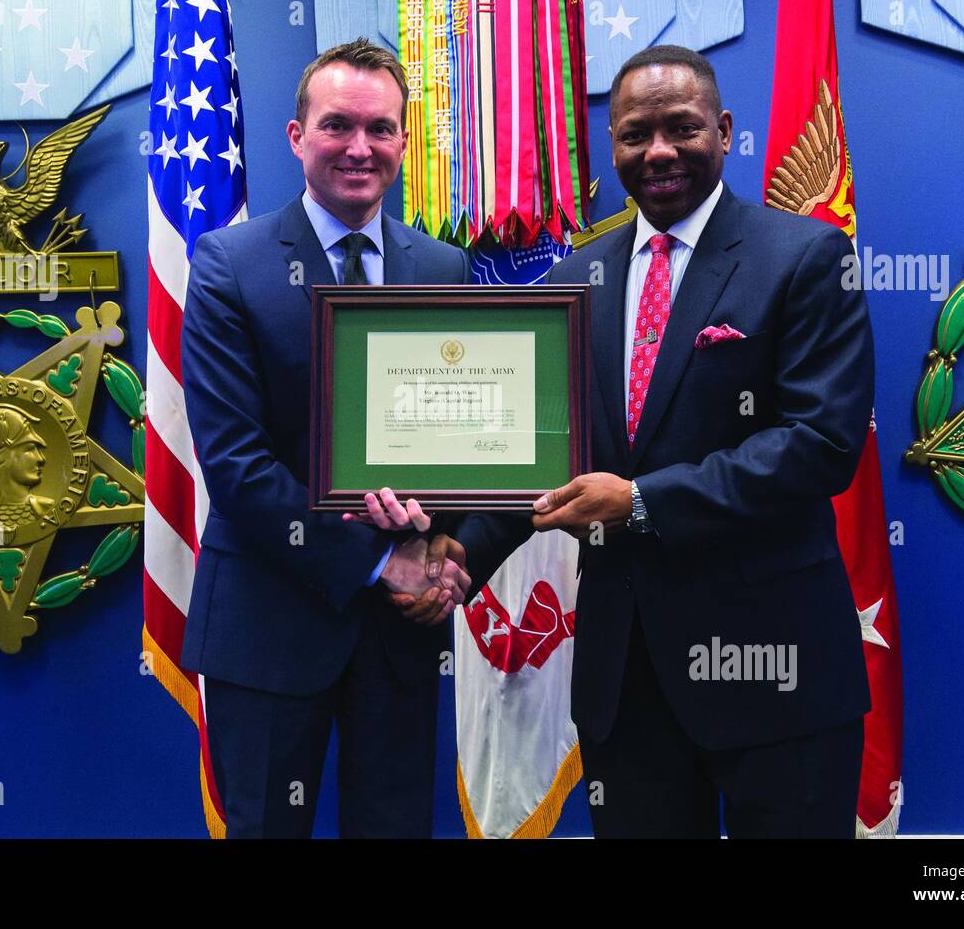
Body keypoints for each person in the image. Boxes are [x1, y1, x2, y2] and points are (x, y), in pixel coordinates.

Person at [375, 45, 875, 837]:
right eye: (636, 134)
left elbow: (820, 444)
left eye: (683, 128)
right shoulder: (580, 276)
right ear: (611, 146)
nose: (661, 151)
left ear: (726, 130)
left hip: (776, 669)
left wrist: (641, 502)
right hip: (625, 678)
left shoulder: (806, 258)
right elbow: (542, 454)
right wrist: (465, 550)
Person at [180, 38, 472, 838]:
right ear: (295, 136)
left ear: (406, 142)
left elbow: (469, 442)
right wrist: (382, 562)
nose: (358, 147)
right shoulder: (228, 265)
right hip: (269, 624)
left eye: (380, 129)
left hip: (400, 634)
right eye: (337, 124)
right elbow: (237, 466)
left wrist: (452, 550)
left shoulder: (446, 270)